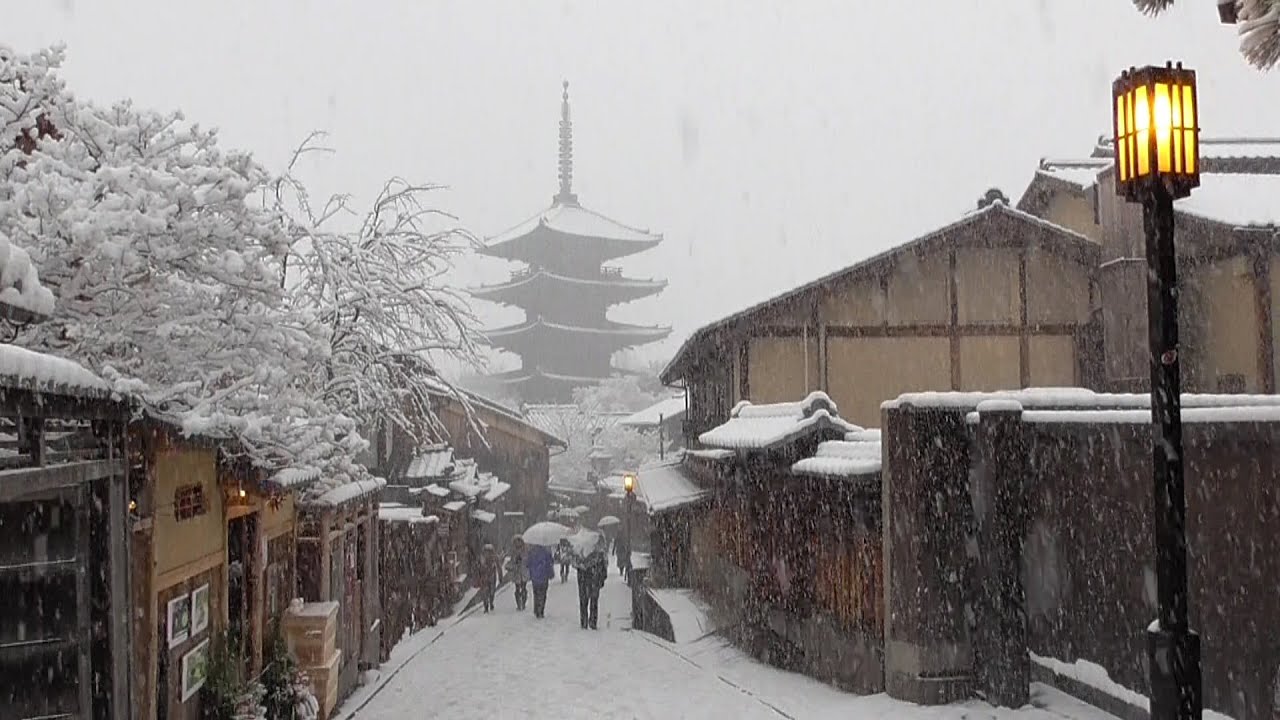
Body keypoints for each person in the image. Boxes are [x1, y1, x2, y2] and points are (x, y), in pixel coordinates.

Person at [576, 539, 608, 630]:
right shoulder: (599, 553)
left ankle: (584, 621)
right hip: (594, 580)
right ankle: (593, 621)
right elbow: (603, 567)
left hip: (584, 580)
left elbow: (578, 565)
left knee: (583, 601)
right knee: (594, 601)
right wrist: (602, 578)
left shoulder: (581, 552)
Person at [525, 542, 555, 619]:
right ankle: (541, 609)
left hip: (535, 577)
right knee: (543, 594)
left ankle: (536, 608)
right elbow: (550, 563)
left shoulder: (532, 552)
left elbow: (527, 563)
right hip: (544, 576)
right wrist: (551, 573)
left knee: (536, 593)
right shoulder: (546, 552)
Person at [506, 536, 530, 611]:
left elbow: (527, 560)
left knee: (523, 588)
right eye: (516, 541)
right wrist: (514, 563)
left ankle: (523, 602)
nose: (518, 543)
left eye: (519, 541)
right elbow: (512, 561)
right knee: (517, 589)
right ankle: (518, 604)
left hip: (524, 572)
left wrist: (523, 559)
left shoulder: (525, 550)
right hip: (517, 572)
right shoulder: (513, 551)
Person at [477, 543, 500, 613]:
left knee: (491, 592)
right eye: (486, 551)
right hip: (485, 577)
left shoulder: (495, 557)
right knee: (485, 592)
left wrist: (500, 575)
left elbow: (498, 566)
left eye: (489, 551)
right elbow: (478, 567)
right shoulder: (482, 557)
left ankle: (490, 602)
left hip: (491, 577)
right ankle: (486, 605)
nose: (488, 553)